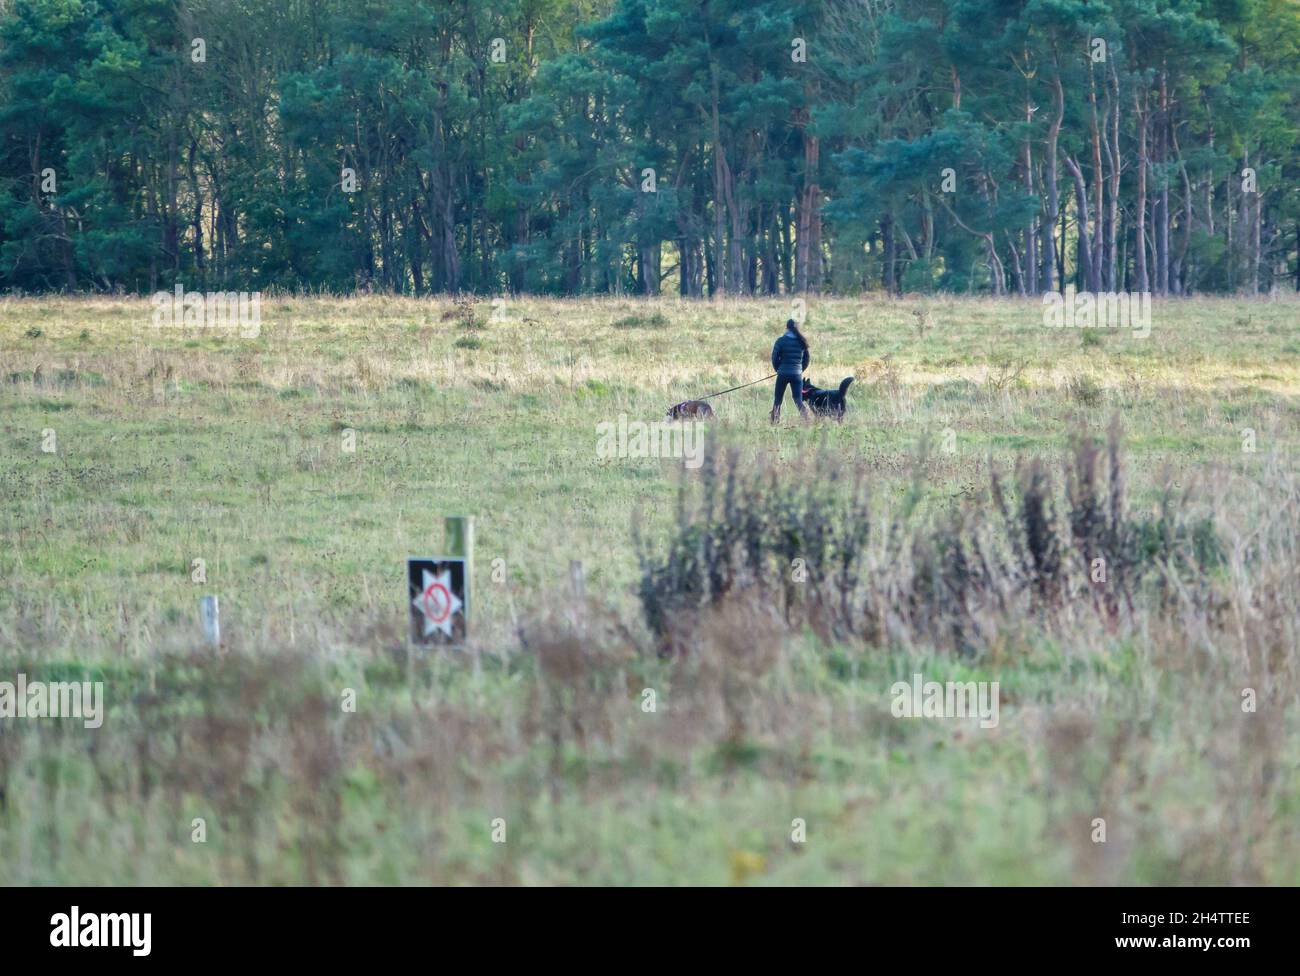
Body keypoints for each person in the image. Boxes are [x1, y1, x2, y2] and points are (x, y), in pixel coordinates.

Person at [770, 318, 810, 423]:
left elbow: (774, 358)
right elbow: (807, 359)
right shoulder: (802, 341)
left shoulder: (781, 341)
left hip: (782, 374)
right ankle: (806, 420)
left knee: (778, 400)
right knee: (798, 400)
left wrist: (778, 369)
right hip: (797, 375)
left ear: (786, 327)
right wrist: (800, 370)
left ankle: (774, 422)